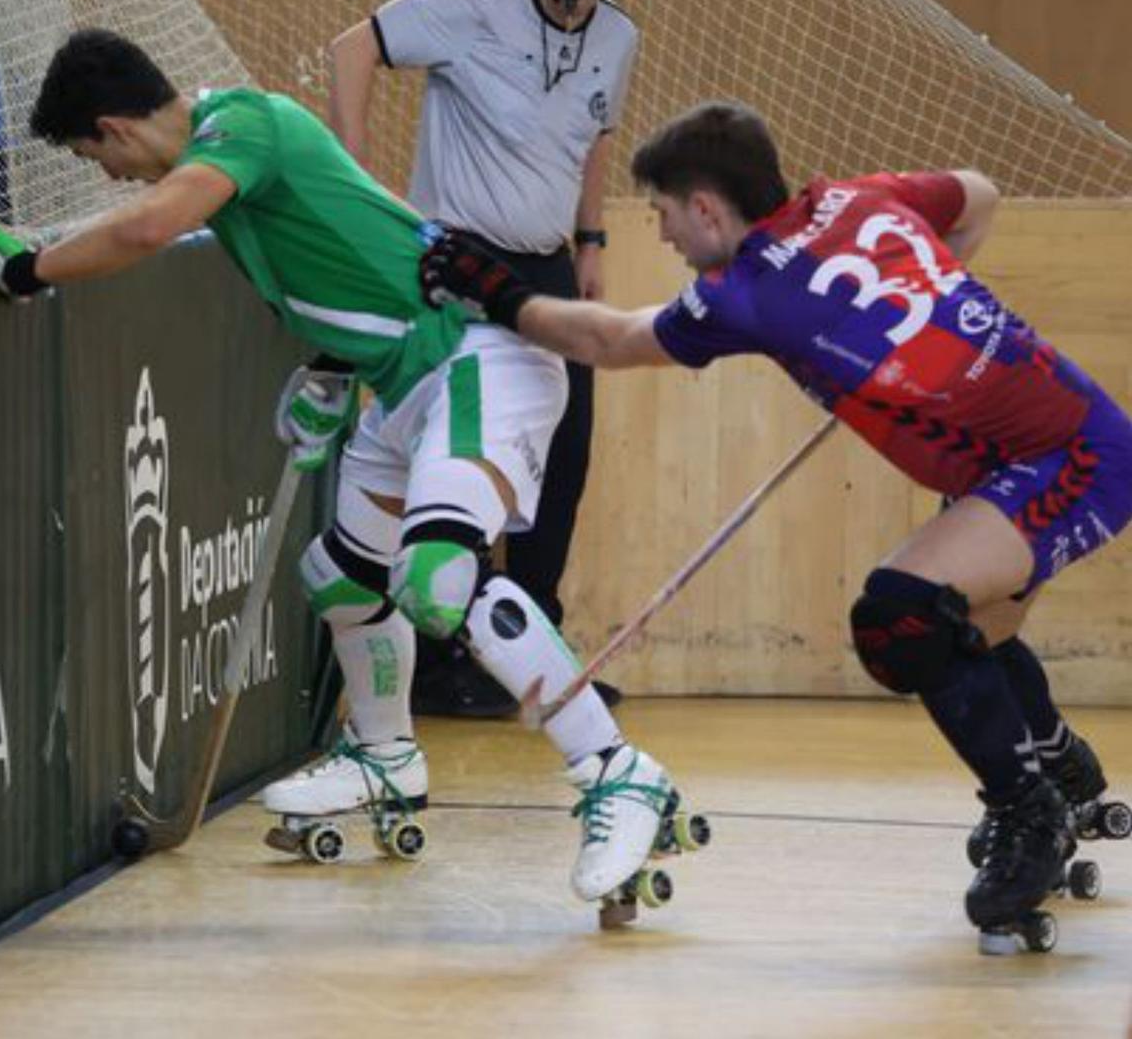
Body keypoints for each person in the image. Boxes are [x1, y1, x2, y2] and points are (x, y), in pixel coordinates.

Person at [0, 27, 683, 908]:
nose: (110, 180)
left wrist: (29, 269)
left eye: (94, 158)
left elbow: (147, 227)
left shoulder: (243, 130)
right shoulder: (230, 157)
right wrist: (335, 366)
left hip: (473, 357)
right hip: (403, 377)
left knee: (435, 581)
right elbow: (351, 249)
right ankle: (385, 759)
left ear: (113, 128)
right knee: (340, 573)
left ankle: (618, 770)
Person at [419, 98, 1132, 941]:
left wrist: (496, 294)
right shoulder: (861, 199)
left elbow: (609, 341)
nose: (666, 236)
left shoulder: (747, 291)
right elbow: (979, 193)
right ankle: (1059, 763)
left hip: (1070, 460)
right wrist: (928, 300)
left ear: (710, 207)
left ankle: (1029, 816)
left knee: (902, 618)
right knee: (970, 616)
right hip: (1044, 438)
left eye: (667, 215)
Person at [328, 0, 638, 715]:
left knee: (561, 454)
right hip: (453, 262)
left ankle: (530, 654)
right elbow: (352, 48)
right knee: (451, 453)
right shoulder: (470, 6)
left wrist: (592, 237)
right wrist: (358, 183)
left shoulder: (617, 37)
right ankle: (435, 662)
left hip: (544, 267)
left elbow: (596, 136)